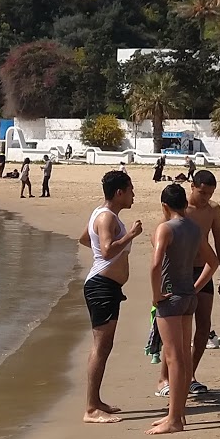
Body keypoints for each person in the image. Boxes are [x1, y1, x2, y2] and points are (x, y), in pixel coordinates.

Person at [148, 183, 218, 434]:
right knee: (183, 356)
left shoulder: (165, 228)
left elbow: (156, 266)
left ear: (165, 206)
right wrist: (196, 288)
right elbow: (212, 262)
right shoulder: (194, 228)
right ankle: (178, 413)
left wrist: (156, 296)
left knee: (174, 357)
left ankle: (174, 419)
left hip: (172, 297)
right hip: (189, 296)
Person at [155, 170, 220, 401]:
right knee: (176, 329)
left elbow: (219, 241)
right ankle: (165, 378)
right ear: (192, 187)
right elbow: (162, 238)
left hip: (204, 269)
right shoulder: (180, 208)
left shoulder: (213, 210)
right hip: (182, 270)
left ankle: (189, 375)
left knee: (203, 326)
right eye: (202, 192)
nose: (206, 197)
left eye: (210, 193)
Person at [78, 170, 145, 424]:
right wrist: (130, 236)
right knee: (101, 346)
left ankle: (95, 401)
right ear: (119, 193)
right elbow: (106, 251)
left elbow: (85, 238)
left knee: (103, 345)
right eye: (130, 190)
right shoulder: (107, 218)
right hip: (101, 286)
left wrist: (104, 250)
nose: (133, 195)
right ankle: (91, 408)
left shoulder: (101, 214)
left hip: (105, 285)